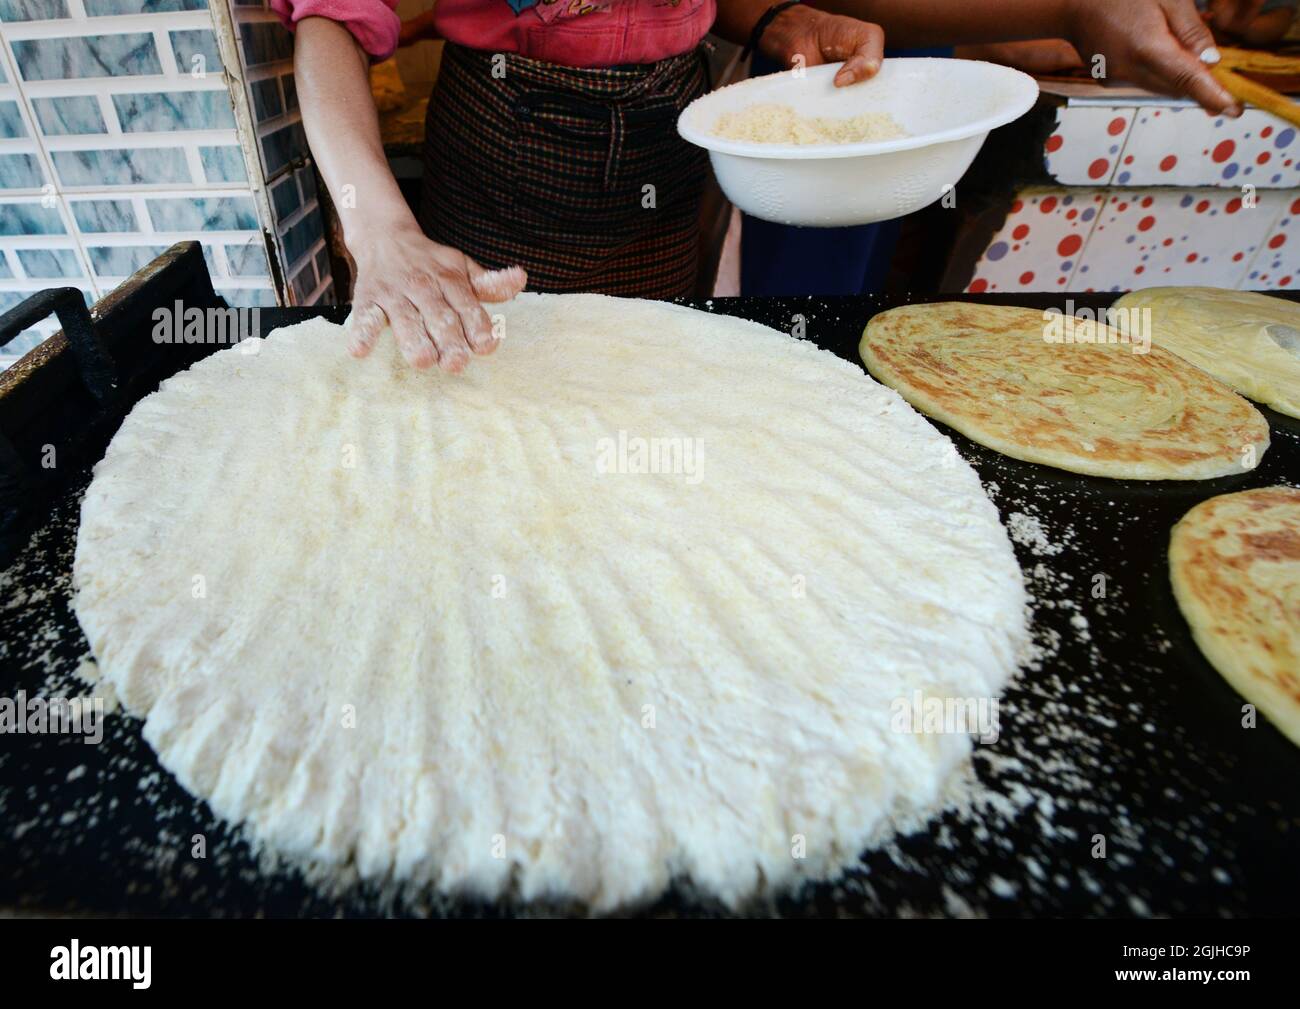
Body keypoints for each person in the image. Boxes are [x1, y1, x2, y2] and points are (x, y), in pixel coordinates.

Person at [276, 0, 1258, 372]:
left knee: (644, 371)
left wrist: (781, 17)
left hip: (665, 150)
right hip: (509, 151)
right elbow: (328, 26)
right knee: (498, 378)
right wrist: (379, 230)